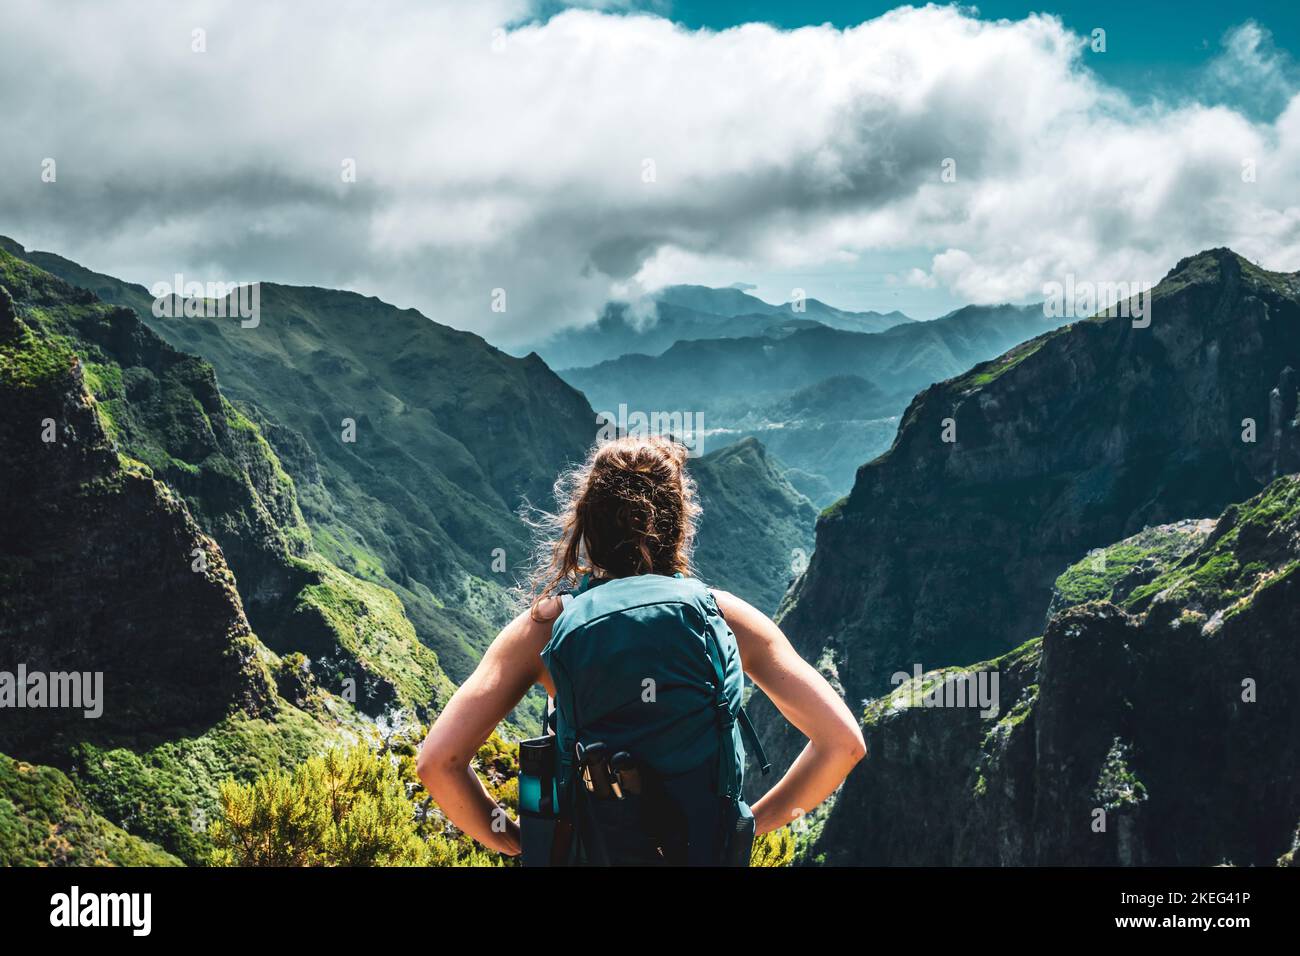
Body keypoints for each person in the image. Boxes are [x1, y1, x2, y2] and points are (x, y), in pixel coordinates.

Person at [417, 434, 865, 860]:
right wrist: (747, 825)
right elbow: (842, 744)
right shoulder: (723, 616)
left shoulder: (546, 627)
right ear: (678, 524)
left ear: (586, 524)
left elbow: (439, 762)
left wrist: (518, 841)